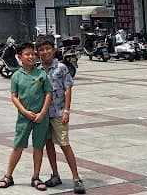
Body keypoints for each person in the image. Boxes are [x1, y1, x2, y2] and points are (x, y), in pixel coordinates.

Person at [0, 42, 52, 191]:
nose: (31, 56)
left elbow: (48, 93)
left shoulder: (41, 74)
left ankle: (36, 176)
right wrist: (24, 111)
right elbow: (14, 97)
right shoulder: (16, 76)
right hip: (24, 118)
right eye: (27, 54)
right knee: (18, 146)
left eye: (33, 54)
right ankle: (8, 175)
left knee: (38, 147)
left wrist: (42, 113)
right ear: (20, 57)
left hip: (41, 118)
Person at [36, 36, 85, 194]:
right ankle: (55, 175)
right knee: (49, 145)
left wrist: (66, 111)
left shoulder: (62, 68)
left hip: (58, 112)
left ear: (54, 50)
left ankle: (76, 178)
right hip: (44, 114)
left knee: (64, 144)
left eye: (47, 49)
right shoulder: (38, 70)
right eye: (42, 50)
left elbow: (68, 88)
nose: (45, 52)